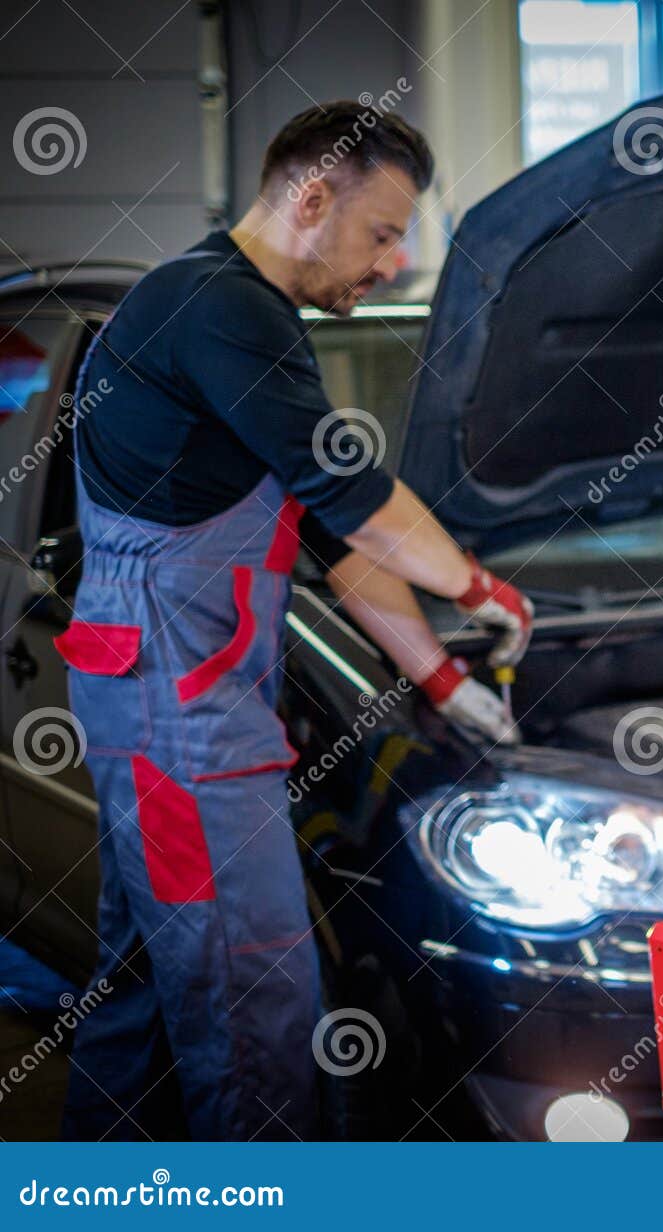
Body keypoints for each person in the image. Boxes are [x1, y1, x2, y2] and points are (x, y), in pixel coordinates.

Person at [56, 102, 531, 1140]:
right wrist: (479, 589)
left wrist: (445, 680)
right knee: (256, 1018)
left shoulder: (230, 317)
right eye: (382, 233)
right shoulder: (221, 308)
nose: (397, 264)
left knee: (138, 998)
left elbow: (341, 545)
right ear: (311, 200)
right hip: (185, 725)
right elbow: (359, 496)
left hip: (170, 708)